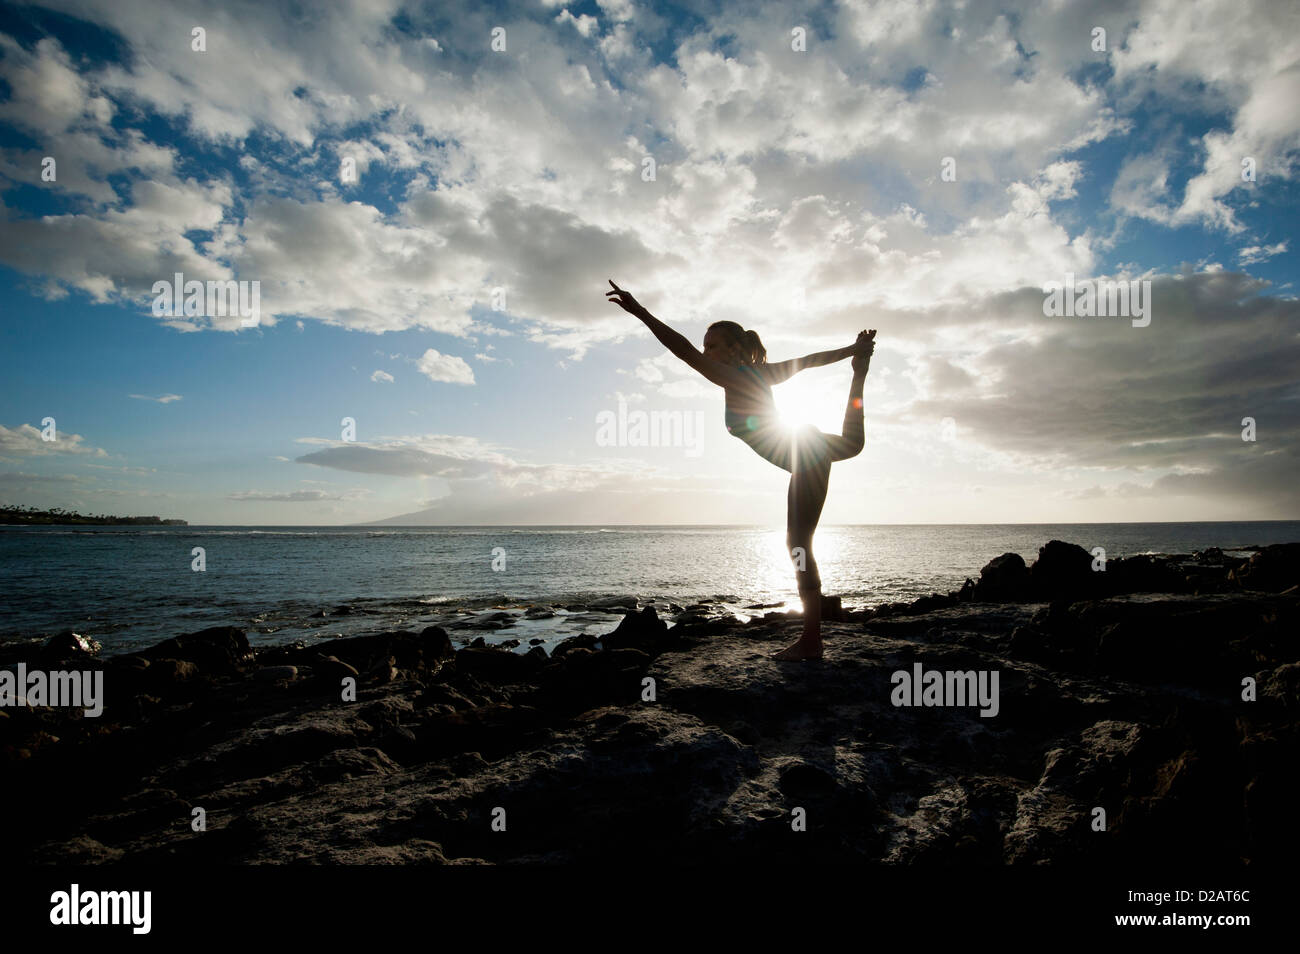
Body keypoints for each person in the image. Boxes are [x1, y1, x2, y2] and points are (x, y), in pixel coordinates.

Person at [605, 279, 874, 661]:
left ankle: (811, 642)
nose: (704, 351)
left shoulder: (731, 375)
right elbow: (811, 360)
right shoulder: (763, 374)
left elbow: (679, 348)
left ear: (733, 350)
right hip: (808, 449)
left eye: (712, 345)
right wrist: (853, 351)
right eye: (705, 345)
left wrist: (641, 312)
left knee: (798, 544)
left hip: (805, 453)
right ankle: (859, 374)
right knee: (851, 448)